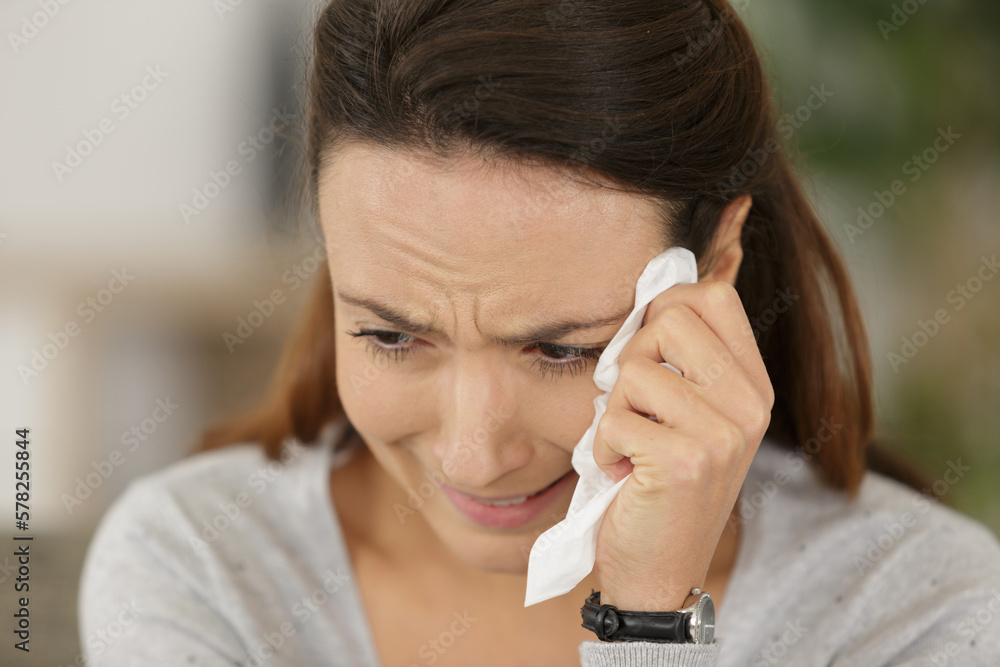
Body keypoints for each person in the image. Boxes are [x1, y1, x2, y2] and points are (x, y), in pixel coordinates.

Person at [78, 0, 1000, 665]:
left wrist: (650, 622)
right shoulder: (202, 568)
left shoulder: (918, 610)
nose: (475, 456)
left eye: (562, 349)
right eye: (392, 336)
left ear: (715, 261)